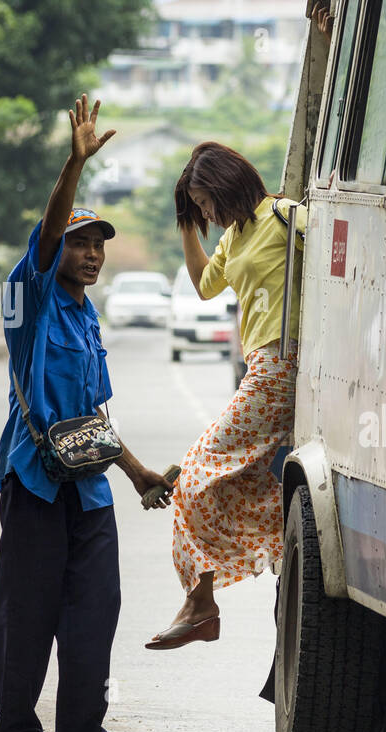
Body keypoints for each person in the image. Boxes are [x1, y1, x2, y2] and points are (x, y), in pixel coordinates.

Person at [0, 95, 173, 732]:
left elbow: (93, 417)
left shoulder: (88, 315)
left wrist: (135, 472)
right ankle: (15, 728)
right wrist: (74, 163)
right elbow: (45, 236)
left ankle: (81, 727)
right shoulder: (30, 298)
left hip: (88, 487)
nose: (92, 253)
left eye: (99, 245)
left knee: (95, 608)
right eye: (81, 242)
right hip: (36, 483)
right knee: (28, 610)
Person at [147, 142, 302, 650]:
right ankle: (203, 603)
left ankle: (200, 604)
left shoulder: (285, 216)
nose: (207, 213)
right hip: (257, 367)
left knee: (194, 477)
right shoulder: (234, 238)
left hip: (281, 365)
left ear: (226, 185)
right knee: (232, 484)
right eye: (199, 207)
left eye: (206, 203)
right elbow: (204, 286)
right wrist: (186, 223)